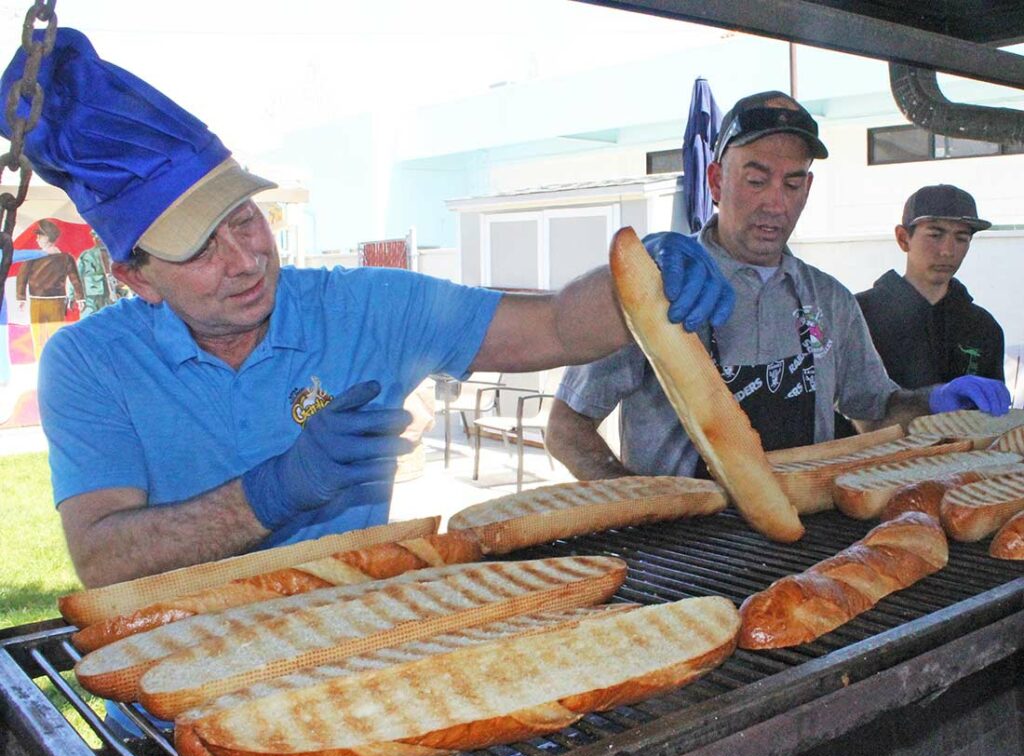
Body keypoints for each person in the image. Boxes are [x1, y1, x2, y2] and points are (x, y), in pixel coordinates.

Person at [0, 28, 732, 589]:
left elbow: (558, 327)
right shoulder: (90, 361)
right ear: (137, 278)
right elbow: (101, 559)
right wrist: (274, 491)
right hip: (178, 668)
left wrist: (638, 281)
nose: (246, 259)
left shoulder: (365, 308)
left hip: (355, 645)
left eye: (246, 220)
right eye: (200, 249)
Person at [546, 91, 1011, 481]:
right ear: (716, 181)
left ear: (807, 189)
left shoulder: (830, 300)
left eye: (792, 184)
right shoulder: (658, 286)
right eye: (756, 179)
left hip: (800, 538)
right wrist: (640, 505)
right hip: (680, 546)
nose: (775, 203)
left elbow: (876, 411)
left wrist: (934, 399)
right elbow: (567, 428)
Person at [856, 184, 1004, 388]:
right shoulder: (858, 315)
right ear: (903, 238)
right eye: (935, 235)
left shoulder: (983, 327)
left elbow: (993, 406)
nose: (948, 251)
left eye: (961, 238)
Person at [14, 219, 85, 356]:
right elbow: (75, 279)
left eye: (40, 236)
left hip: (45, 302)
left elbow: (22, 277)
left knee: (42, 337)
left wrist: (21, 298)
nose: (37, 239)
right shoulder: (64, 257)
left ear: (48, 237)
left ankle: (44, 360)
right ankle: (49, 360)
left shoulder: (37, 257)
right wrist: (80, 298)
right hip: (51, 301)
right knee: (52, 336)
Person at [76, 230, 118, 317]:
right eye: (97, 237)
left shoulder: (114, 254)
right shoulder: (86, 255)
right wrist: (77, 298)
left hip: (111, 294)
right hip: (92, 297)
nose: (99, 240)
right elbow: (76, 275)